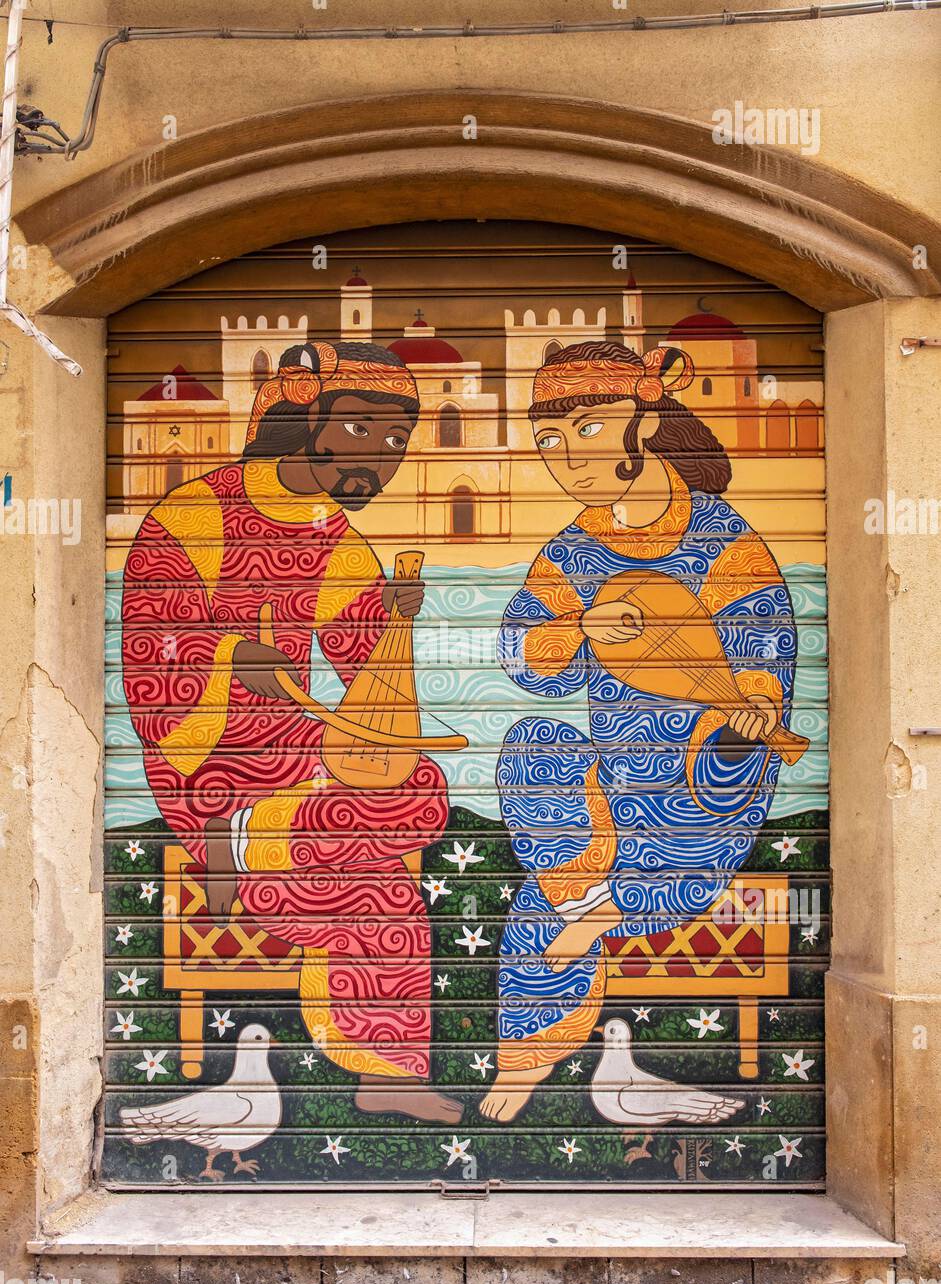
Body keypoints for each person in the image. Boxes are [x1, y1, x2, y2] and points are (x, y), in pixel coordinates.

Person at [123, 340, 462, 1123]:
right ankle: (228, 839)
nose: (379, 458)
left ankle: (380, 1070)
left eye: (394, 441)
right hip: (210, 769)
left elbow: (364, 684)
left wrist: (394, 630)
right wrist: (228, 654)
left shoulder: (335, 535)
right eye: (362, 432)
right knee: (372, 862)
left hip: (303, 763)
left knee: (417, 791)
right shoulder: (193, 516)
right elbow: (147, 651)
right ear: (303, 414)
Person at [481, 340, 796, 1122]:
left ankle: (612, 901)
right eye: (549, 442)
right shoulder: (572, 550)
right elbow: (521, 657)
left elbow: (762, 662)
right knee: (531, 749)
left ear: (648, 417)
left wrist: (740, 722)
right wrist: (579, 625)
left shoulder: (728, 545)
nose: (566, 460)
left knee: (643, 846)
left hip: (696, 790)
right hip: (606, 798)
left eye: (587, 430)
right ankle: (586, 907)